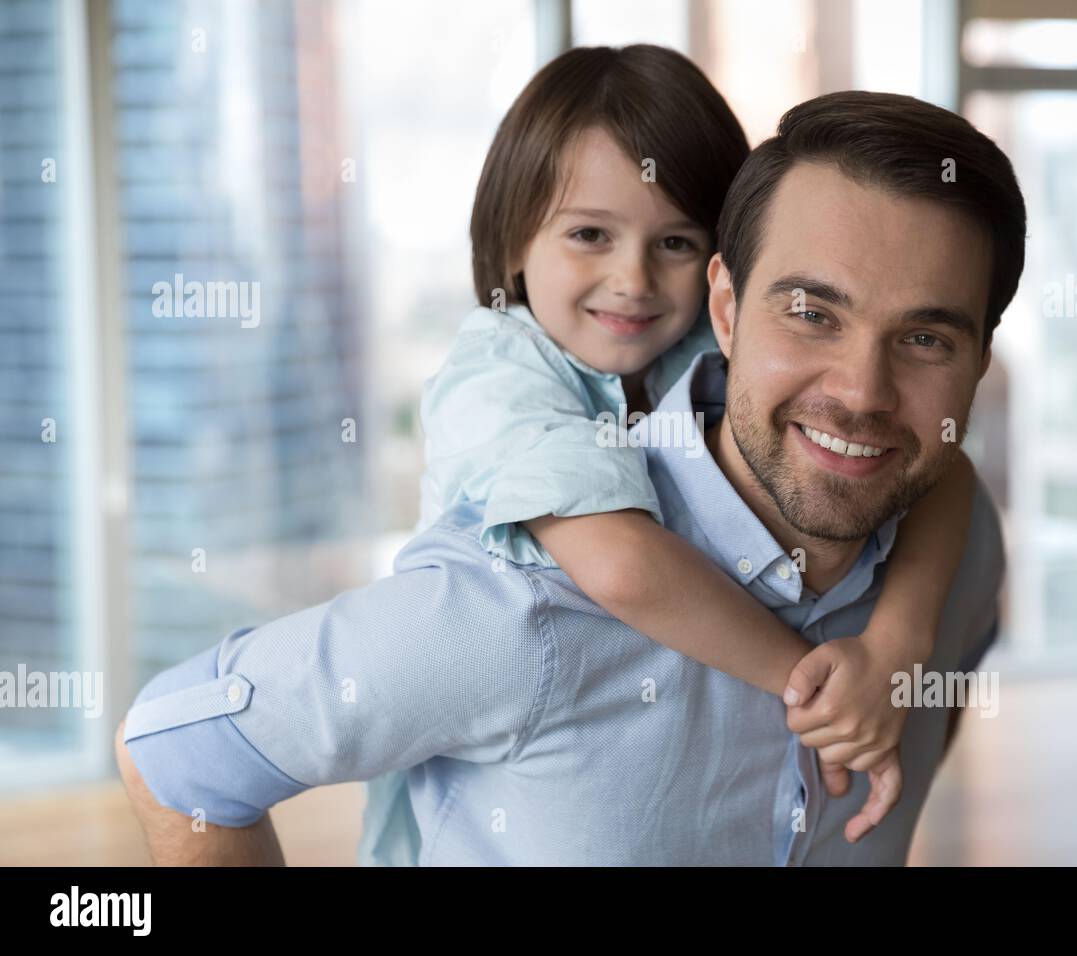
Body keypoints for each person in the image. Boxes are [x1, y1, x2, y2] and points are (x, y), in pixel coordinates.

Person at [116, 82, 1025, 866]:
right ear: (729, 306)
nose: (863, 393)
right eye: (811, 314)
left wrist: (901, 643)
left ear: (980, 359)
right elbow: (177, 749)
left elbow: (951, 489)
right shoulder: (515, 594)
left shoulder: (958, 541)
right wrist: (819, 691)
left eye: (924, 338)